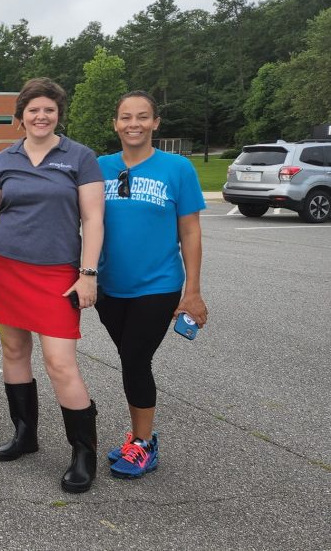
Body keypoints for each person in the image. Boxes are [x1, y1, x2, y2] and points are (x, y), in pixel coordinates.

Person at [0, 77, 105, 493]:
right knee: (13, 350)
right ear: (20, 117)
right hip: (5, 268)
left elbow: (93, 220)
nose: (41, 116)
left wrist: (88, 273)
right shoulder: (6, 159)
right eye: (33, 110)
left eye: (48, 109)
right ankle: (25, 434)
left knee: (61, 363)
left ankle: (83, 454)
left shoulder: (80, 157)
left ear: (58, 114)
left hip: (57, 273)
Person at [96, 91, 207, 479]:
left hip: (158, 286)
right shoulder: (99, 167)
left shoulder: (177, 169)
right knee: (131, 360)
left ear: (156, 123)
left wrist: (192, 291)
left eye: (143, 117)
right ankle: (138, 437)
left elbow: (190, 231)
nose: (134, 124)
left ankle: (143, 443)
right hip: (108, 288)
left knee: (135, 359)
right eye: (126, 117)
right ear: (116, 123)